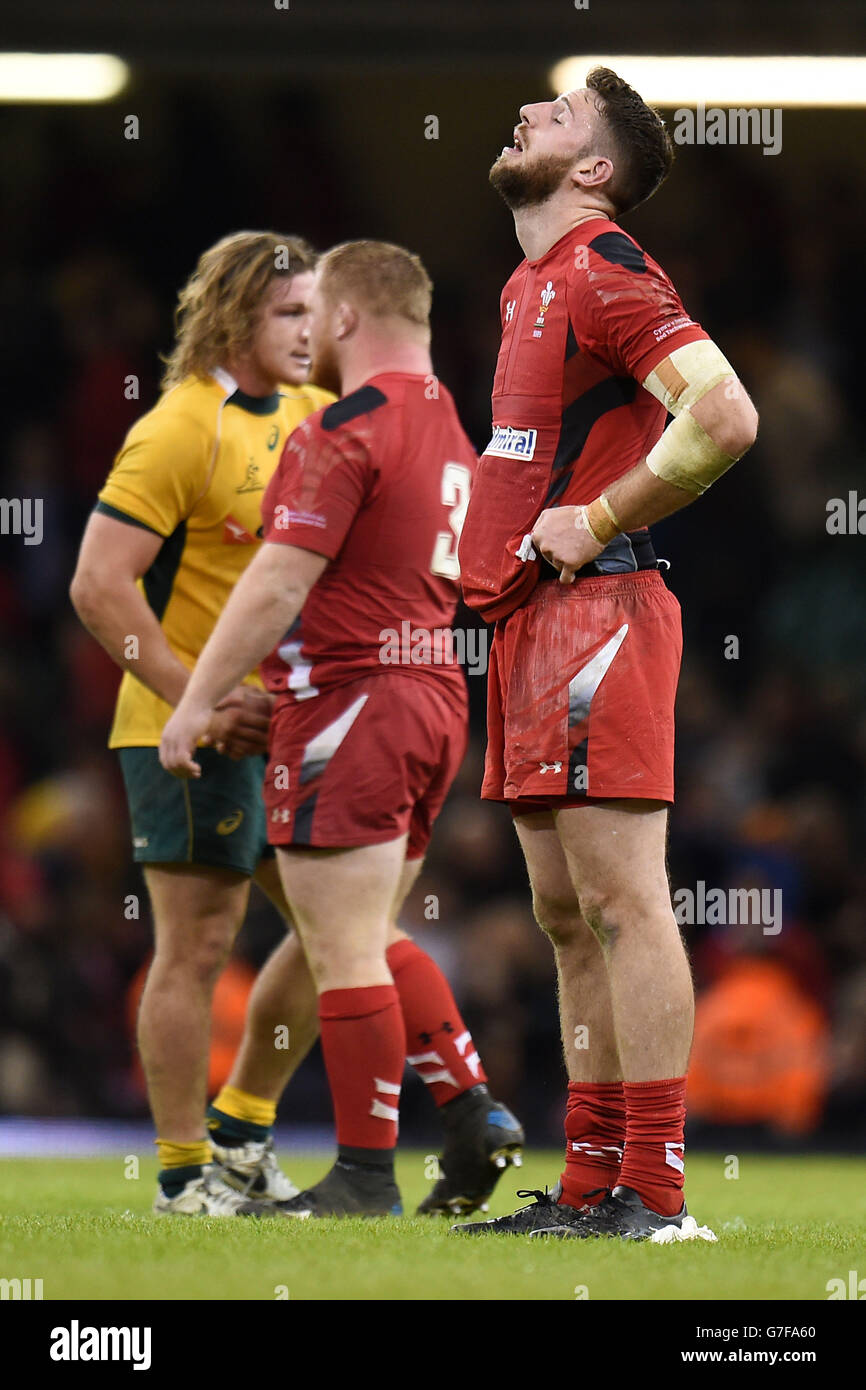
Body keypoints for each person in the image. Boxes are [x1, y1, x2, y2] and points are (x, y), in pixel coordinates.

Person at [72, 231, 520, 1217]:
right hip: (188, 722)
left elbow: (304, 576)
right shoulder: (181, 427)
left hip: (314, 713)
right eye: (285, 312)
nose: (306, 327)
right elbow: (99, 585)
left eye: (313, 310)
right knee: (202, 945)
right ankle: (188, 1169)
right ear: (230, 315)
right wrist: (196, 694)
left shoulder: (335, 414)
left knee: (345, 935)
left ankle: (246, 1131)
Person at [453, 68, 758, 1240]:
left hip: (600, 613)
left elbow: (722, 415)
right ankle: (590, 1185)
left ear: (592, 172)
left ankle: (658, 1192)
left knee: (625, 906)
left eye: (558, 115)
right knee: (569, 918)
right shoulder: (527, 284)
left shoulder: (605, 265)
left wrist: (600, 517)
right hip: (531, 623)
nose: (525, 111)